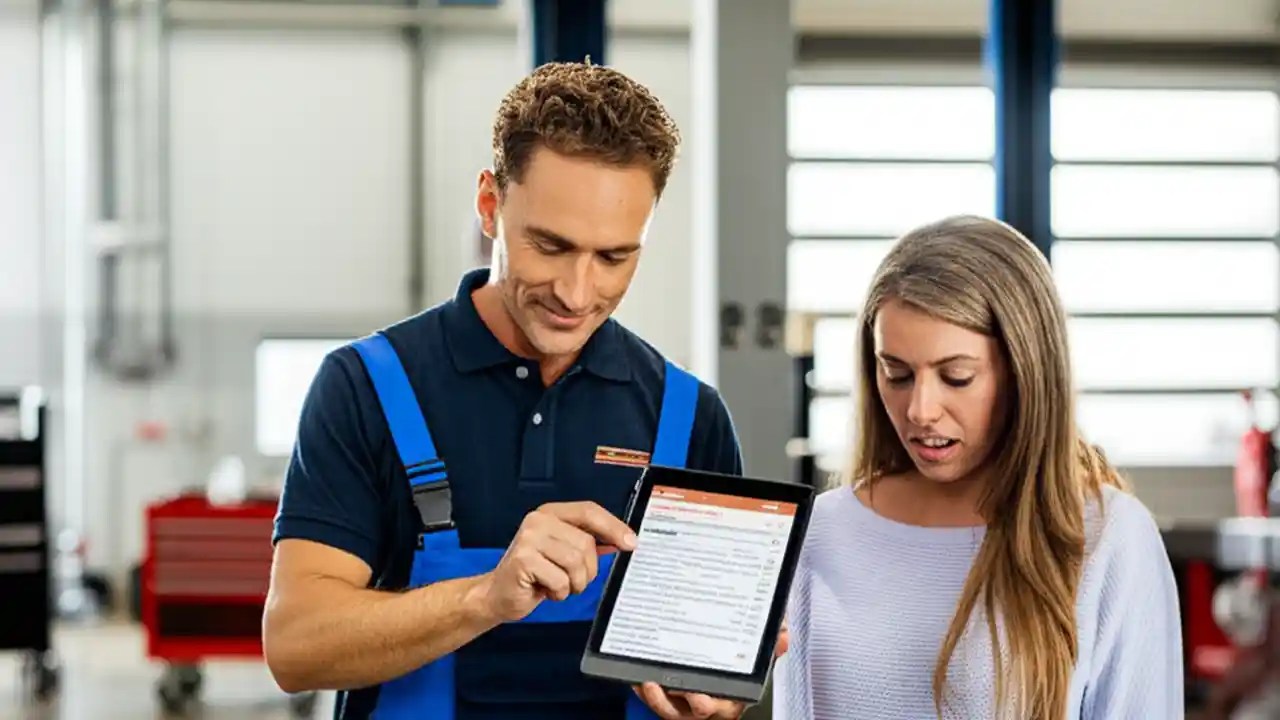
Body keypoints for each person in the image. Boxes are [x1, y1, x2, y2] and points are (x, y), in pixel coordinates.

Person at [262, 62, 775, 720]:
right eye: (550, 245)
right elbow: (296, 647)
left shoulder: (689, 417)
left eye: (615, 257)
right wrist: (486, 598)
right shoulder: (366, 388)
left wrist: (716, 694)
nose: (577, 292)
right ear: (489, 204)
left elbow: (713, 690)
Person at [773, 215, 1184, 720]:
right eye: (896, 374)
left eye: (957, 377)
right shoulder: (823, 529)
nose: (921, 409)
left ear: (1024, 372)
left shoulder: (1109, 537)